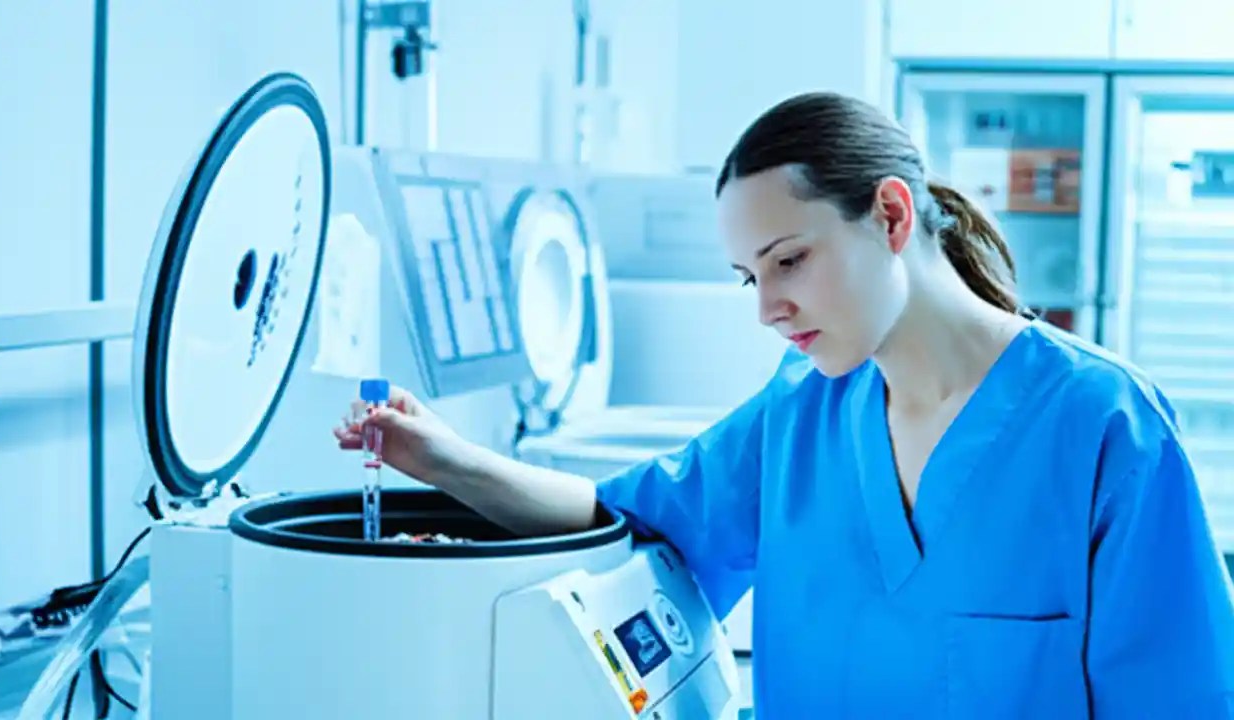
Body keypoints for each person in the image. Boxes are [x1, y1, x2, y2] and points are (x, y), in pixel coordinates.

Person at [335, 92, 1234, 717]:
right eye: (747, 277)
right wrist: (440, 458)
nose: (767, 307)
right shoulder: (801, 416)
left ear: (889, 216)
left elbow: (1180, 701)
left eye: (788, 260)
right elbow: (620, 515)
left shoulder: (1104, 430)